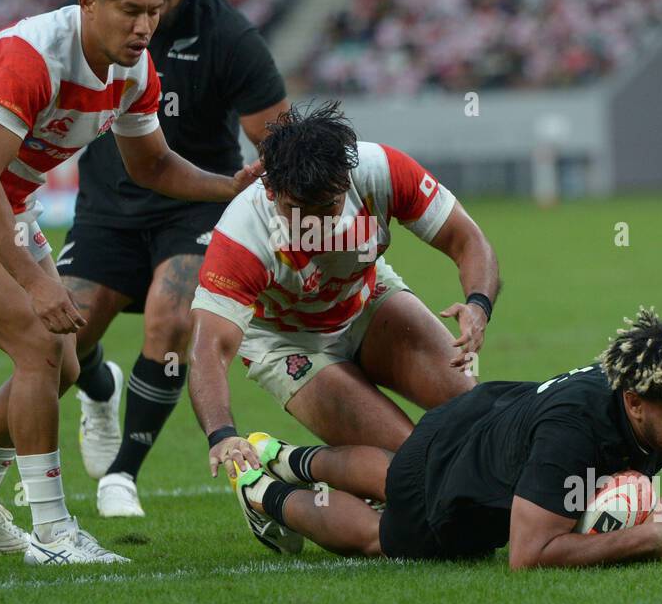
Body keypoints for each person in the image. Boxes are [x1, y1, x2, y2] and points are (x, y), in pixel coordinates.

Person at [0, 0, 261, 565]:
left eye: (155, 12)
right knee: (38, 341)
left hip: (7, 203)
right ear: (89, 1)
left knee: (62, 364)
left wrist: (226, 186)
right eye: (131, 11)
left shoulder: (133, 69)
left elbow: (153, 165)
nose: (145, 27)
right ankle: (55, 536)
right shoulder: (32, 57)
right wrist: (36, 283)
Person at [55, 0, 288, 518]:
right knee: (58, 343)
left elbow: (278, 136)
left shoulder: (226, 33)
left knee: (171, 316)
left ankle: (121, 475)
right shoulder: (88, 23)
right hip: (106, 208)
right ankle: (98, 386)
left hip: (196, 203)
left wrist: (297, 211)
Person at [223, 307, 662, 566]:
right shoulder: (574, 433)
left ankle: (281, 454)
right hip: (472, 463)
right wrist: (638, 539)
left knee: (395, 472)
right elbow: (528, 555)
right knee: (380, 532)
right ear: (633, 403)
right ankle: (260, 489)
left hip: (492, 417)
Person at [188, 100, 501, 481]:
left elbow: (467, 239)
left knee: (478, 419)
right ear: (270, 188)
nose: (314, 223)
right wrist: (221, 435)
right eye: (298, 208)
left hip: (366, 298)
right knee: (413, 467)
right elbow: (209, 347)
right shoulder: (243, 234)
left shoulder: (380, 171)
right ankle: (276, 474)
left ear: (347, 180)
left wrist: (478, 304)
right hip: (286, 342)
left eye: (329, 206)